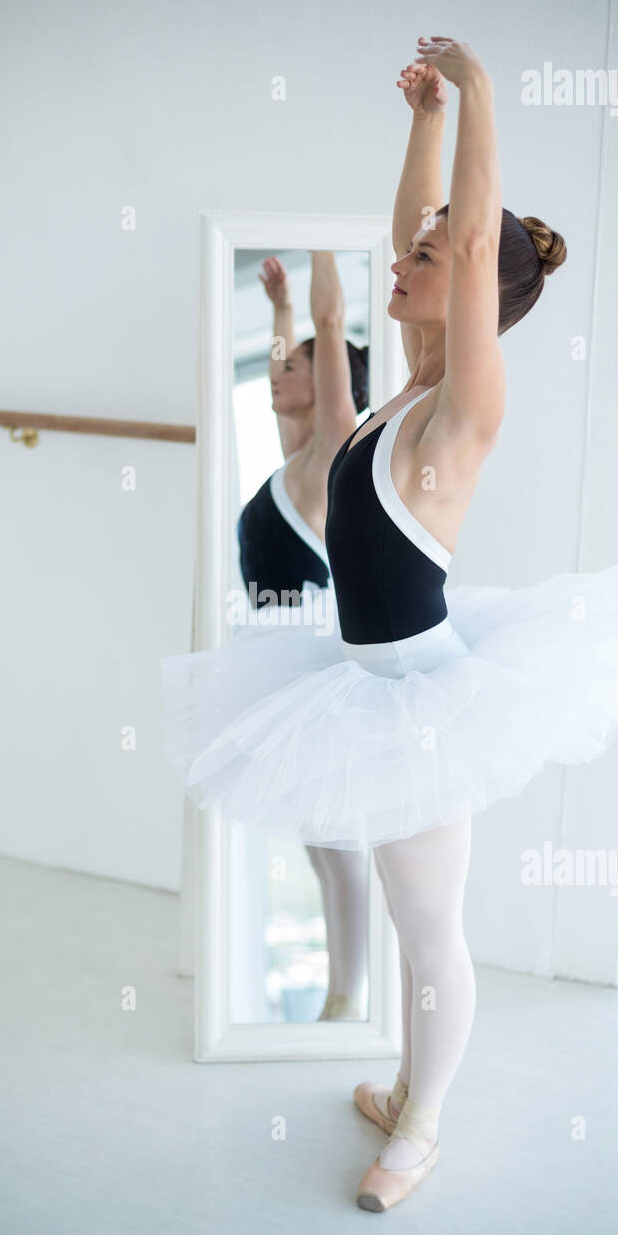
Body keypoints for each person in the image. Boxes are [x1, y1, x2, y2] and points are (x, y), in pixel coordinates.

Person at [161, 37, 618, 1211]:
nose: (403, 259)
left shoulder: (465, 401)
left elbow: (470, 235)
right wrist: (423, 118)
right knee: (401, 913)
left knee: (431, 929)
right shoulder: (400, 387)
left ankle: (423, 1122)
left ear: (475, 290)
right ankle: (401, 1086)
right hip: (361, 680)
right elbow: (426, 230)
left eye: (427, 256)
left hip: (425, 697)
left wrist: (481, 93)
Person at [236, 252, 370, 1020]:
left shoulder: (328, 457)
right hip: (282, 664)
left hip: (314, 669)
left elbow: (329, 327)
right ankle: (340, 991)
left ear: (326, 388)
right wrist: (281, 309)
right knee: (320, 844)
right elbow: (287, 364)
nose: (278, 370)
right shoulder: (294, 459)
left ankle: (348, 997)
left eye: (296, 366)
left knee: (338, 840)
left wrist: (325, 249)